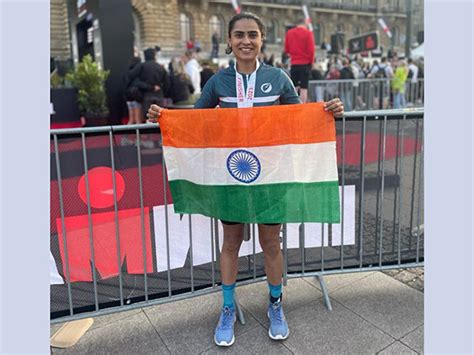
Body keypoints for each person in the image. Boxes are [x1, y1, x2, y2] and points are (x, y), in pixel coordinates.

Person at [146, 12, 344, 347]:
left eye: (252, 34)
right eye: (239, 35)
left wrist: (327, 112)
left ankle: (276, 304)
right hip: (233, 175)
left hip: (270, 177)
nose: (246, 41)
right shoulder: (218, 82)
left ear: (262, 39)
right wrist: (165, 119)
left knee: (270, 243)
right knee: (231, 243)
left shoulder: (278, 78)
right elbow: (197, 123)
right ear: (229, 41)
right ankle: (227, 308)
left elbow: (297, 120)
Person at [284, 19, 315, 103]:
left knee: (294, 86)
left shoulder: (289, 33)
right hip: (305, 64)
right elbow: (311, 50)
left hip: (294, 63)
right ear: (305, 24)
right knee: (304, 88)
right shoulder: (308, 33)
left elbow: (286, 50)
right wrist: (311, 63)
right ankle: (302, 106)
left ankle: (294, 103)